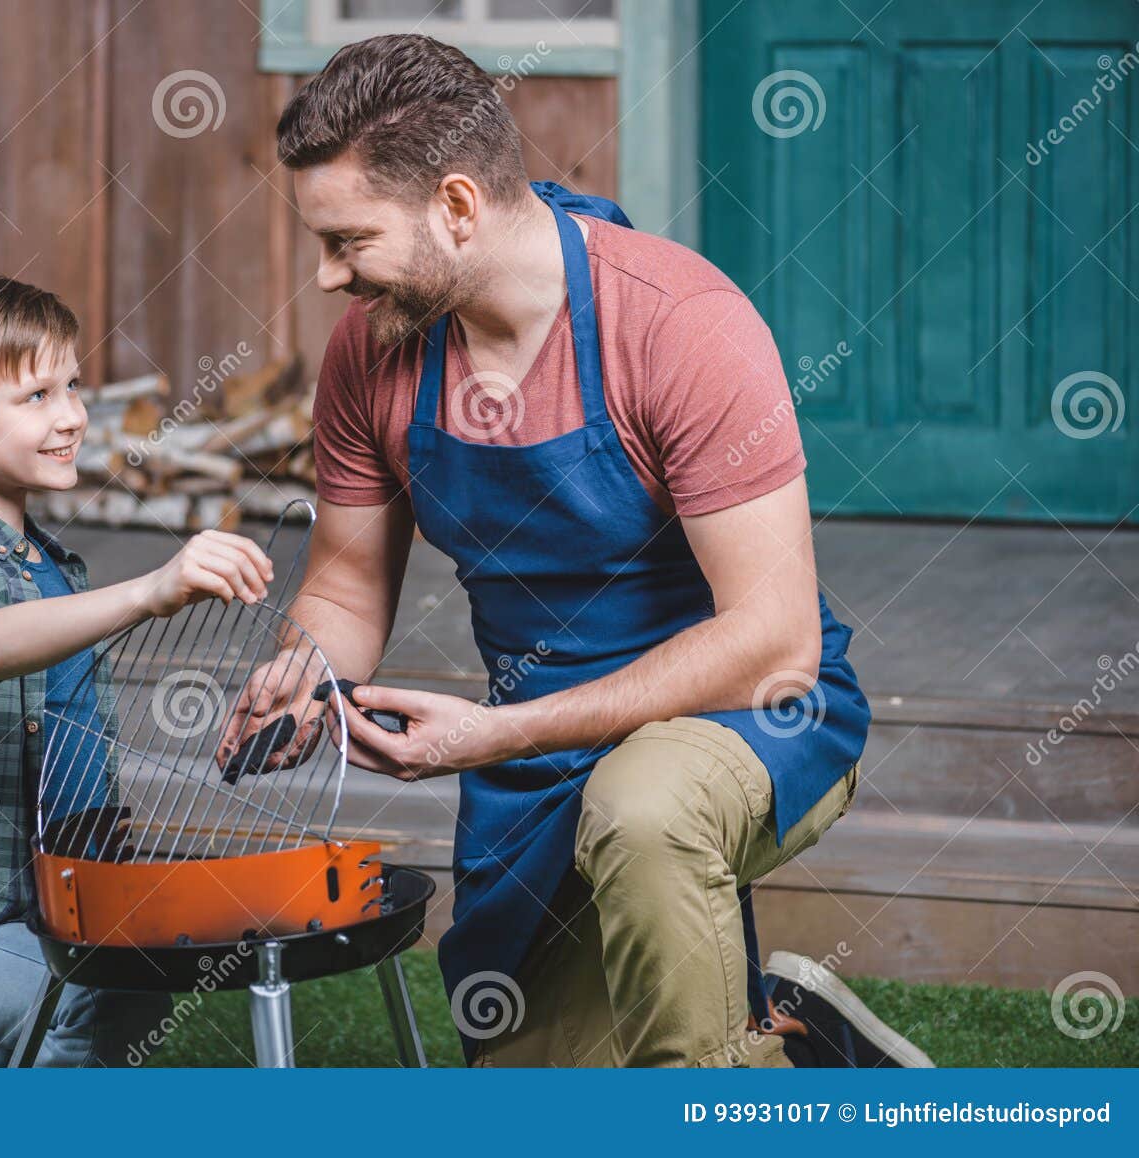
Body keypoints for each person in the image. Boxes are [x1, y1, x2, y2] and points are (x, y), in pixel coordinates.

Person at [226, 34, 875, 1067]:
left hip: (743, 712)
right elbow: (347, 582)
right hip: (535, 744)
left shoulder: (677, 324)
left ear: (455, 206)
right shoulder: (375, 348)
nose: (322, 277)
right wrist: (302, 679)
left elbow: (773, 640)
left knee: (642, 808)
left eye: (348, 242)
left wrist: (498, 732)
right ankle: (806, 1060)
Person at [0, 274, 273, 1066]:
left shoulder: (54, 564)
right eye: (36, 395)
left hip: (44, 903)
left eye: (74, 385)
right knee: (87, 1001)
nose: (72, 415)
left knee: (113, 990)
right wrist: (153, 590)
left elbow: (66, 735)